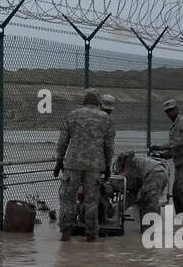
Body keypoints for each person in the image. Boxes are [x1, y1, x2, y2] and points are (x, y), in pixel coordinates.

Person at [54, 89, 115, 242]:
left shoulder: (72, 115)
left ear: (84, 101)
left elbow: (62, 141)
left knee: (67, 200)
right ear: (98, 102)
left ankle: (66, 234)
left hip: (73, 164)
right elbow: (109, 146)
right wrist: (108, 165)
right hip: (95, 166)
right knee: (91, 202)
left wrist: (59, 161)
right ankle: (91, 236)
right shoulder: (105, 118)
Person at [153, 98, 183, 214]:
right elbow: (174, 149)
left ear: (177, 109)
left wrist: (160, 148)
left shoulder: (181, 122)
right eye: (168, 111)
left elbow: (176, 143)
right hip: (181, 162)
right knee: (177, 192)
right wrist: (161, 154)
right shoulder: (175, 124)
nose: (170, 113)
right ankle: (181, 216)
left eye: (172, 110)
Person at [113, 150, 169, 232]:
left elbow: (130, 153)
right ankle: (146, 232)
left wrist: (125, 171)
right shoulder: (129, 180)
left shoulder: (120, 163)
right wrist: (116, 209)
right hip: (153, 173)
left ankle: (150, 231)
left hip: (154, 172)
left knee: (149, 202)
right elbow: (131, 197)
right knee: (143, 201)